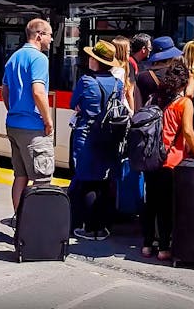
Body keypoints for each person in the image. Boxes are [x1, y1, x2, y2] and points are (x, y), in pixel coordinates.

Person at [141, 60, 194, 261]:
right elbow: (187, 131)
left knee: (150, 203)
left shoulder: (155, 98)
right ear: (183, 83)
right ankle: (164, 248)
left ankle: (146, 244)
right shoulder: (183, 103)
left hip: (151, 158)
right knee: (166, 206)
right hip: (171, 161)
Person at [69, 40, 123, 241]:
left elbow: (74, 103)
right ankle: (102, 225)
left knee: (87, 180)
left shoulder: (86, 81)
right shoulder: (118, 83)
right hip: (109, 136)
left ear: (96, 61)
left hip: (87, 135)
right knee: (103, 181)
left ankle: (90, 227)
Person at [3, 18, 55, 213]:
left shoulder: (13, 58)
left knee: (20, 176)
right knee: (42, 179)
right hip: (33, 127)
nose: (51, 40)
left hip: (14, 124)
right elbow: (38, 92)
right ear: (39, 35)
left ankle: (19, 219)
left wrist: (14, 110)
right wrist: (48, 120)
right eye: (49, 35)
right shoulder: (39, 59)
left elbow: (5, 92)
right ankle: (35, 225)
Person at [134, 36, 181, 109]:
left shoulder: (142, 76)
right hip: (170, 117)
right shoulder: (176, 73)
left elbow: (137, 102)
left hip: (149, 117)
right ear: (171, 57)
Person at [111, 35, 135, 113]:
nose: (129, 54)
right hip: (121, 108)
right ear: (122, 53)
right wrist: (132, 112)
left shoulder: (108, 67)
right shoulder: (124, 69)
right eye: (128, 52)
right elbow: (129, 94)